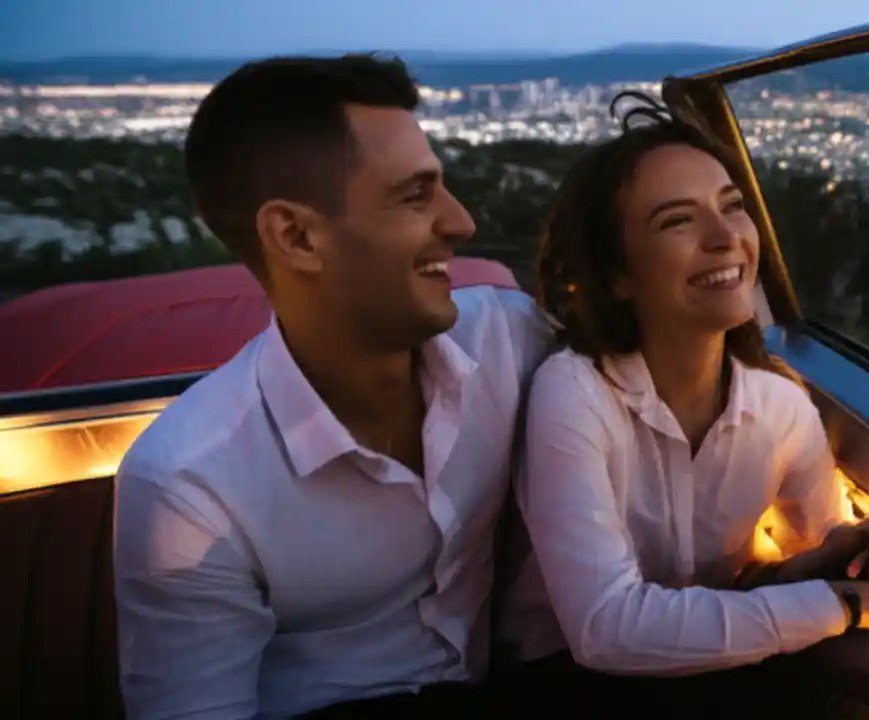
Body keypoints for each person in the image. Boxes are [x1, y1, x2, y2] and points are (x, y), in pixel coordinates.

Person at [496, 94, 869, 719]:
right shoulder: (574, 393)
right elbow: (606, 627)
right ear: (616, 274)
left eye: (733, 206)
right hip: (566, 678)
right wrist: (847, 606)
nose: (726, 237)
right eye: (678, 221)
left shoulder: (779, 405)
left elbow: (821, 538)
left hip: (708, 658)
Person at [112, 54, 552, 719]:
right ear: (296, 237)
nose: (461, 221)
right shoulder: (191, 483)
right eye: (414, 195)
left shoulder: (512, 343)